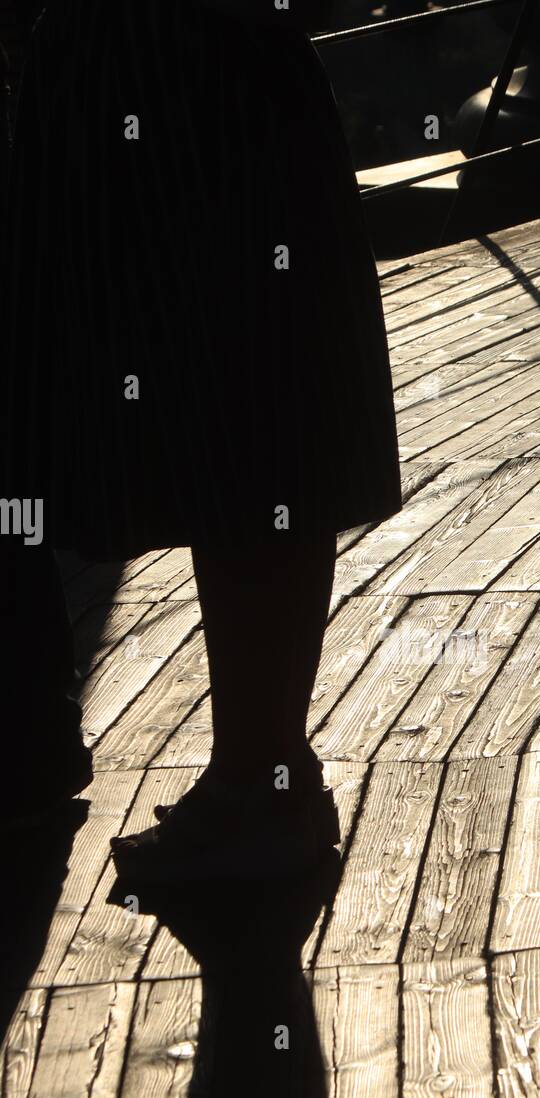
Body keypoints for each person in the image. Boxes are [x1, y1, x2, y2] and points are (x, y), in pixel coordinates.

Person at [2, 0, 401, 882]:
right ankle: (267, 772)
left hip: (162, 68)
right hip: (214, 61)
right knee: (259, 412)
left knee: (233, 416)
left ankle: (259, 784)